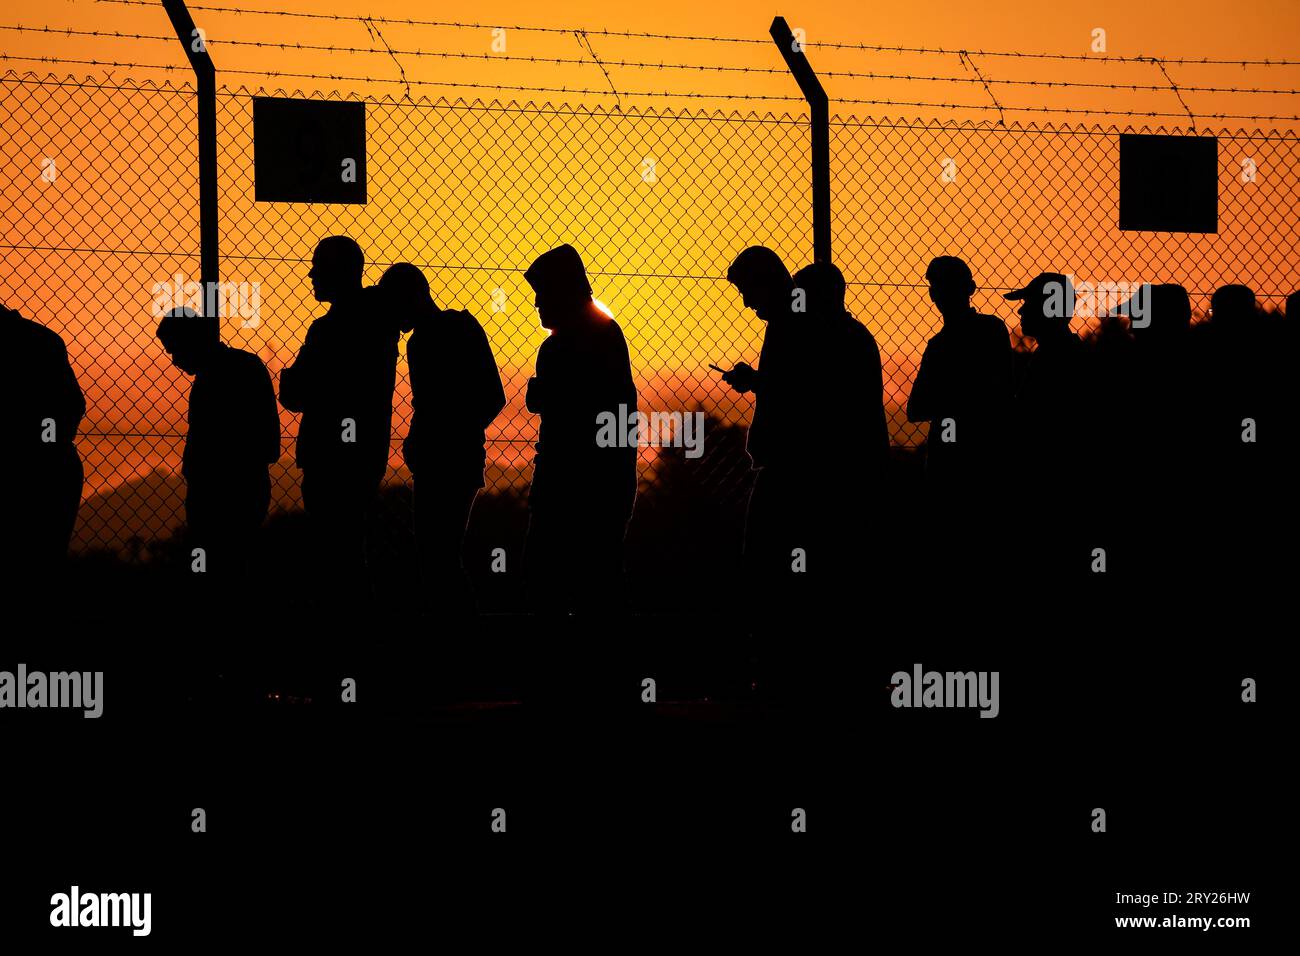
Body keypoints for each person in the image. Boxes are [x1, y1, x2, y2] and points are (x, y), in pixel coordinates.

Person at [279, 237, 406, 609]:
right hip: (366, 454)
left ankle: (344, 634)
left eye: (319, 266)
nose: (311, 274)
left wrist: (296, 378)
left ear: (339, 271)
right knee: (350, 550)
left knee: (334, 554)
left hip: (328, 458)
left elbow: (295, 393)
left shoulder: (329, 329)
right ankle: (357, 632)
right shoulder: (379, 320)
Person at [380, 263, 506, 614]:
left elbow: (488, 398)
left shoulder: (437, 337)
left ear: (411, 297)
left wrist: (448, 436)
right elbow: (489, 397)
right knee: (438, 556)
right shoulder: (445, 333)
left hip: (448, 460)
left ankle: (457, 632)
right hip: (449, 459)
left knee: (438, 557)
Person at [522, 244, 637, 616]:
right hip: (605, 478)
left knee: (548, 581)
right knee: (598, 579)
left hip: (572, 481)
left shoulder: (563, 345)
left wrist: (544, 395)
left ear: (562, 292)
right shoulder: (605, 333)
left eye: (542, 294)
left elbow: (566, 405)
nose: (537, 304)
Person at [906, 256, 1012, 581]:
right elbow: (1000, 392)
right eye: (936, 287)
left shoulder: (941, 346)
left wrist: (949, 396)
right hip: (982, 459)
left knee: (952, 552)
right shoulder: (990, 331)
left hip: (957, 463)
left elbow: (918, 407)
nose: (937, 295)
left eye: (938, 287)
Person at [157, 307, 280, 584]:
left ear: (194, 339)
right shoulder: (242, 367)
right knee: (233, 566)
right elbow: (269, 442)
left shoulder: (225, 376)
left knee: (219, 569)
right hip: (236, 491)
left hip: (225, 495)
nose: (175, 360)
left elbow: (262, 441)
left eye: (176, 349)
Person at [0, 300, 85, 604]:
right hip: (53, 468)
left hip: (41, 470)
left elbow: (70, 406)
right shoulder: (43, 340)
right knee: (41, 573)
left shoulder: (38, 342)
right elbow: (72, 405)